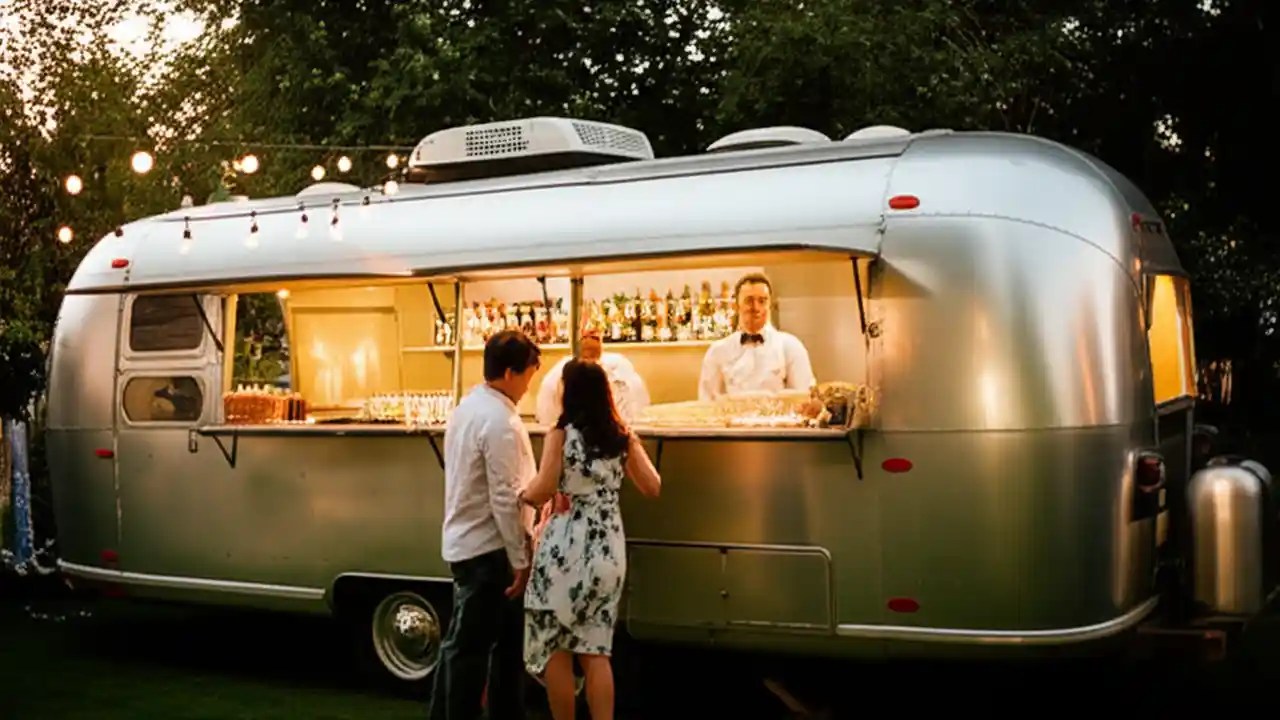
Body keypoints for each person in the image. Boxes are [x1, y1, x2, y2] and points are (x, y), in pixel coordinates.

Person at [517, 360, 662, 720]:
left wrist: (523, 495)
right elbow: (653, 486)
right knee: (596, 650)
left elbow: (544, 487)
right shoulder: (621, 436)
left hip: (566, 545)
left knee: (555, 646)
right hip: (608, 549)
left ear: (568, 392)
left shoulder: (560, 434)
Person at [428, 329, 542, 720]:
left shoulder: (469, 406)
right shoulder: (499, 422)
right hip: (488, 549)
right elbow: (506, 497)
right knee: (474, 651)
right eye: (529, 374)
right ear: (510, 373)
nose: (530, 385)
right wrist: (520, 557)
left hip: (467, 542)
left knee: (479, 647)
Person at [697, 271, 816, 401]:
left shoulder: (791, 347)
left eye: (762, 301)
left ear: (769, 304)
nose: (756, 307)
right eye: (749, 301)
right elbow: (706, 403)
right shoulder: (717, 352)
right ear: (736, 306)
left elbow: (803, 399)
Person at [535, 325, 650, 426]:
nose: (589, 338)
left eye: (593, 336)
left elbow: (636, 415)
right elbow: (546, 420)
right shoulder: (555, 380)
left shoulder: (621, 373)